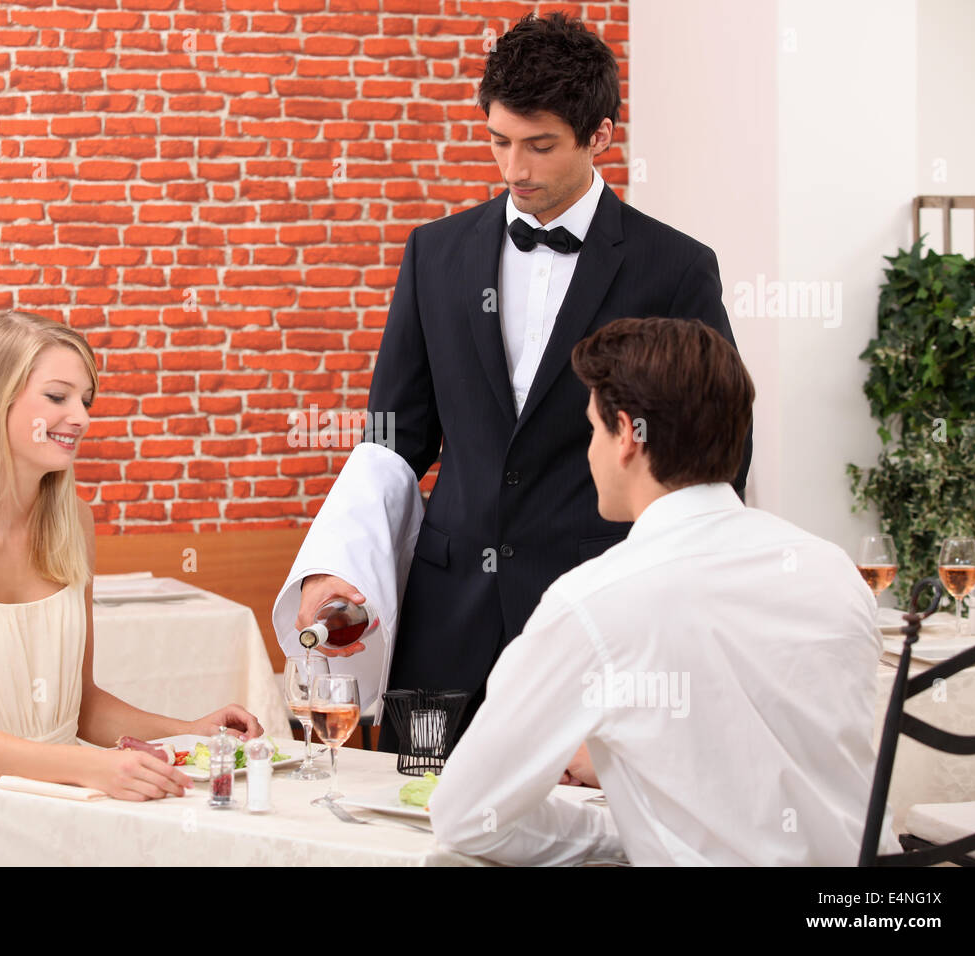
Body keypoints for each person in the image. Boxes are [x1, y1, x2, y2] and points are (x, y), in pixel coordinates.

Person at [271, 12, 751, 750]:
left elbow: (716, 456)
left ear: (600, 137)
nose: (515, 169)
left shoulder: (677, 268)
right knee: (414, 824)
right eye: (499, 141)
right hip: (444, 623)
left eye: (540, 145)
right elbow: (393, 437)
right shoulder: (434, 253)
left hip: (599, 620)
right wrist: (332, 566)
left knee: (591, 842)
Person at [429, 317, 898, 866]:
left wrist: (622, 828)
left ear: (627, 435)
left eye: (593, 431)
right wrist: (629, 761)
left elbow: (466, 816)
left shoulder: (596, 600)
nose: (590, 454)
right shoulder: (829, 568)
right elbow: (774, 750)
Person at [0, 311, 262, 866]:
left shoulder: (74, 523)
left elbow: (81, 707)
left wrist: (189, 731)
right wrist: (95, 768)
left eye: (86, 401)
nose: (79, 417)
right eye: (57, 397)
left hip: (62, 801)